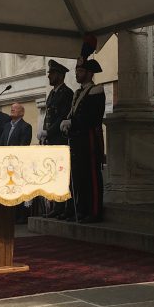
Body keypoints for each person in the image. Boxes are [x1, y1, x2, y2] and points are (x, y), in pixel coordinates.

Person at [61, 58, 106, 224]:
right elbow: (74, 113)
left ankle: (94, 211)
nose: (77, 74)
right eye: (77, 71)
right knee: (79, 176)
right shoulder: (78, 93)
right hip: (78, 138)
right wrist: (67, 122)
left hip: (89, 138)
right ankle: (81, 209)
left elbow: (92, 117)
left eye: (80, 71)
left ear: (89, 73)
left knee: (91, 176)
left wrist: (72, 122)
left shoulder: (96, 91)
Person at [41, 59, 74, 218]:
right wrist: (44, 131)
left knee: (62, 175)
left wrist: (49, 132)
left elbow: (61, 117)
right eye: (49, 73)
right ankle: (56, 206)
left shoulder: (66, 94)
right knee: (54, 175)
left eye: (51, 73)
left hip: (60, 139)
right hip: (51, 140)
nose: (49, 76)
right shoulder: (53, 94)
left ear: (60, 75)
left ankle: (64, 208)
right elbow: (48, 116)